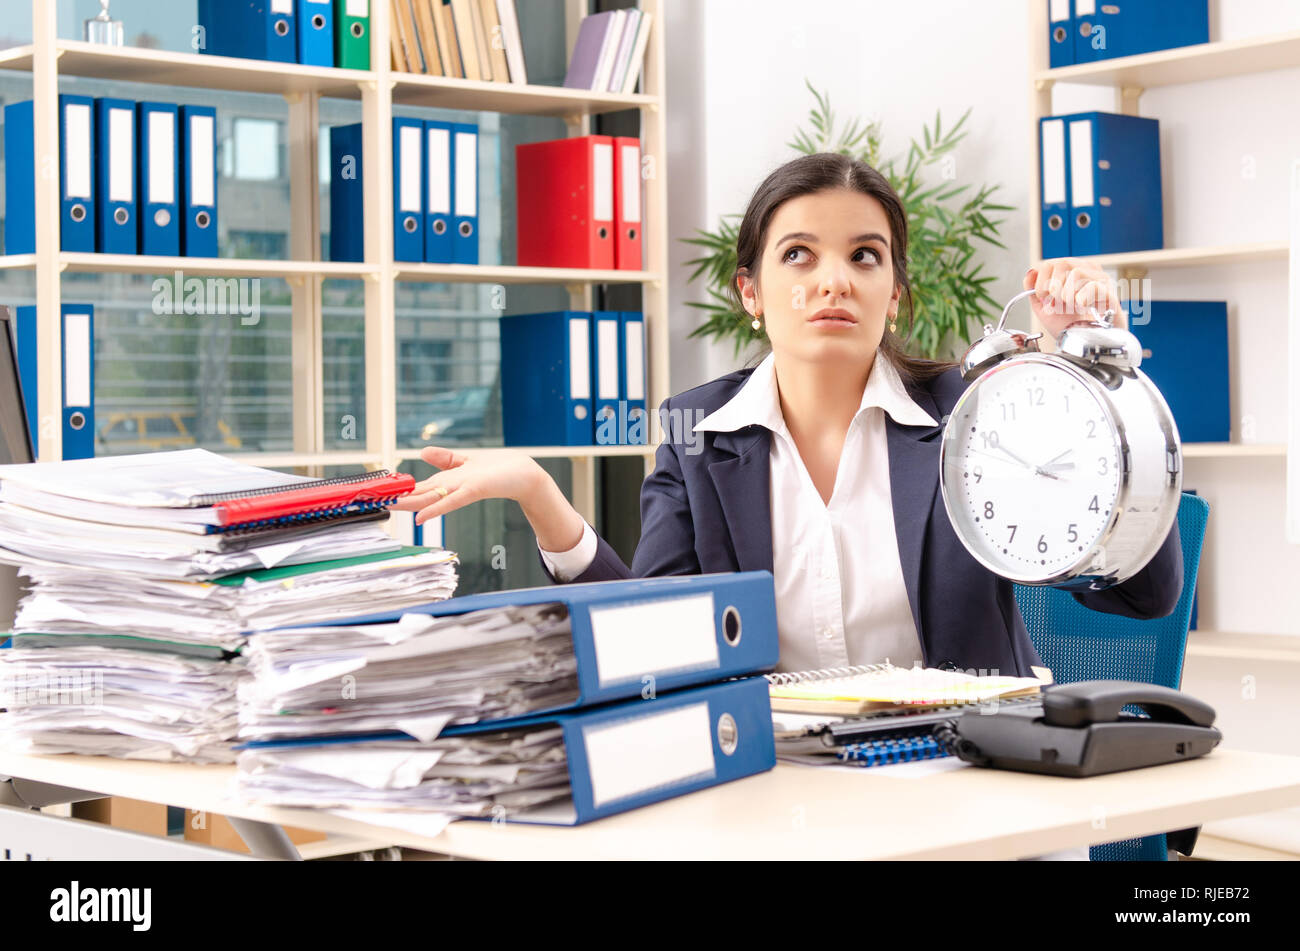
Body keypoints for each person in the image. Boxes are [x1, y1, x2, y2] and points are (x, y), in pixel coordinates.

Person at [393, 152, 1182, 676]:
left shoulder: (979, 415)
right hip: (780, 791)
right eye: (798, 254)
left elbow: (1140, 595)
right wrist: (542, 496)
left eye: (864, 256)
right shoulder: (695, 433)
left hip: (973, 784)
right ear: (750, 291)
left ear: (895, 291)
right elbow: (651, 635)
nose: (833, 280)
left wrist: (1081, 369)